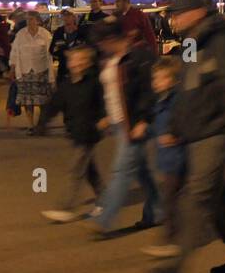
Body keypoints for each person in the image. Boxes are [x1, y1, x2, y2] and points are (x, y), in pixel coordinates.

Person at [148, 0, 225, 273]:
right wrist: (174, 125)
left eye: (178, 13)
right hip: (195, 130)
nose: (174, 19)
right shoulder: (193, 44)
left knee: (196, 195)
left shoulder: (222, 42)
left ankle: (176, 265)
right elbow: (185, 89)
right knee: (219, 199)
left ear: (197, 13)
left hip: (216, 130)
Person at [89, 20, 157, 236]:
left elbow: (148, 91)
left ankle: (103, 218)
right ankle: (158, 209)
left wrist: (144, 120)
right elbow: (110, 91)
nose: (99, 46)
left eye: (101, 42)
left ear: (111, 39)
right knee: (140, 170)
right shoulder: (110, 59)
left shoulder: (138, 57)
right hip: (120, 122)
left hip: (134, 123)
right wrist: (107, 116)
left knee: (122, 170)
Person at [36, 44, 106, 222]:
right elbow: (54, 105)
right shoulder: (66, 85)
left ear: (88, 63)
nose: (77, 63)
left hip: (89, 132)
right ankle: (105, 197)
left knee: (75, 169)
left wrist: (104, 119)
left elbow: (103, 103)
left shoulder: (94, 83)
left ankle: (66, 208)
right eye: (74, 60)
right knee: (90, 169)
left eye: (81, 60)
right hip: (74, 131)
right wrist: (42, 122)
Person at [141, 56, 187, 259]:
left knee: (170, 199)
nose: (156, 83)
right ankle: (175, 235)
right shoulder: (161, 101)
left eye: (161, 79)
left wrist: (176, 134)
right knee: (174, 198)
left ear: (174, 80)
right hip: (167, 159)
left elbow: (185, 125)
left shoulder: (177, 102)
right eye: (154, 79)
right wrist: (146, 129)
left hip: (177, 159)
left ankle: (170, 240)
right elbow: (158, 126)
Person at [11, 12, 54, 131]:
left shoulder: (45, 34)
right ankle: (30, 124)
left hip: (41, 71)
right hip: (25, 71)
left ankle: (41, 123)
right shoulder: (20, 34)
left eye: (31, 19)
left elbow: (50, 52)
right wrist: (12, 68)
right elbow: (14, 52)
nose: (29, 22)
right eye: (27, 20)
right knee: (27, 100)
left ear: (38, 21)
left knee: (42, 101)